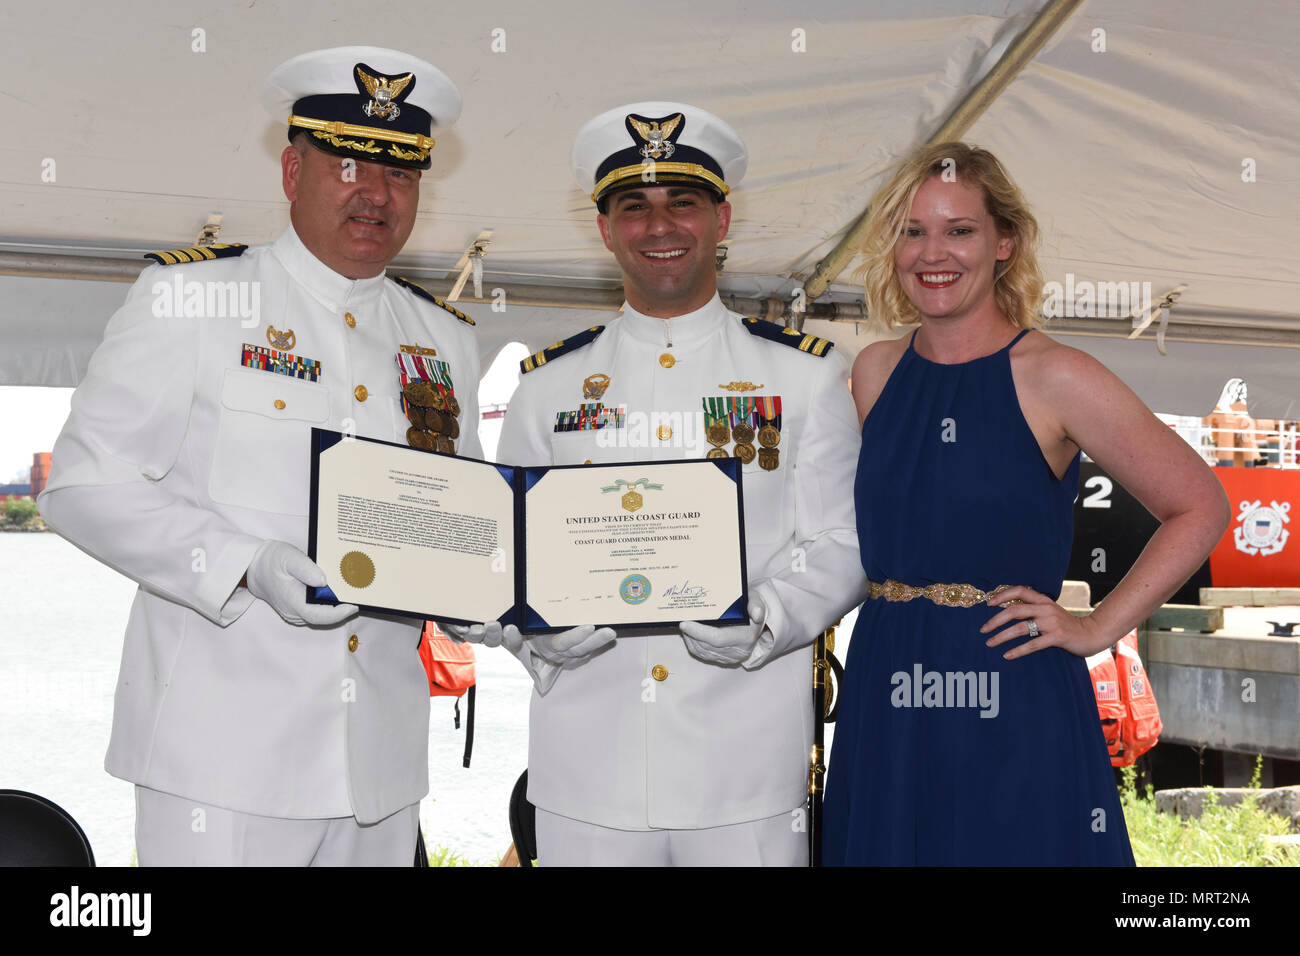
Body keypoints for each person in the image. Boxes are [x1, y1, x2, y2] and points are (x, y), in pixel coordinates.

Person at [38, 46, 481, 866]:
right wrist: (247, 565)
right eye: (347, 163)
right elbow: (82, 486)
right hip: (221, 765)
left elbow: (461, 531)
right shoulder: (193, 300)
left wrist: (501, 595)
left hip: (378, 773)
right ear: (291, 170)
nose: (375, 193)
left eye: (402, 173)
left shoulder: (443, 341)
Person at [456, 101, 866, 866]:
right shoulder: (548, 388)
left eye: (684, 201)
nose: (660, 225)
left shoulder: (805, 375)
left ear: (722, 218)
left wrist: (770, 617)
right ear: (605, 228)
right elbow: (506, 560)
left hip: (743, 770)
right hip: (588, 769)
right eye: (633, 207)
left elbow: (842, 539)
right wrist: (535, 636)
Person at [821, 142, 1230, 865]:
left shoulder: (1056, 376)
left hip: (1008, 683)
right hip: (888, 683)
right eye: (912, 231)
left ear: (1004, 242)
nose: (931, 252)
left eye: (959, 229)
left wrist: (1098, 625)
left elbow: (1200, 505)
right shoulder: (874, 372)